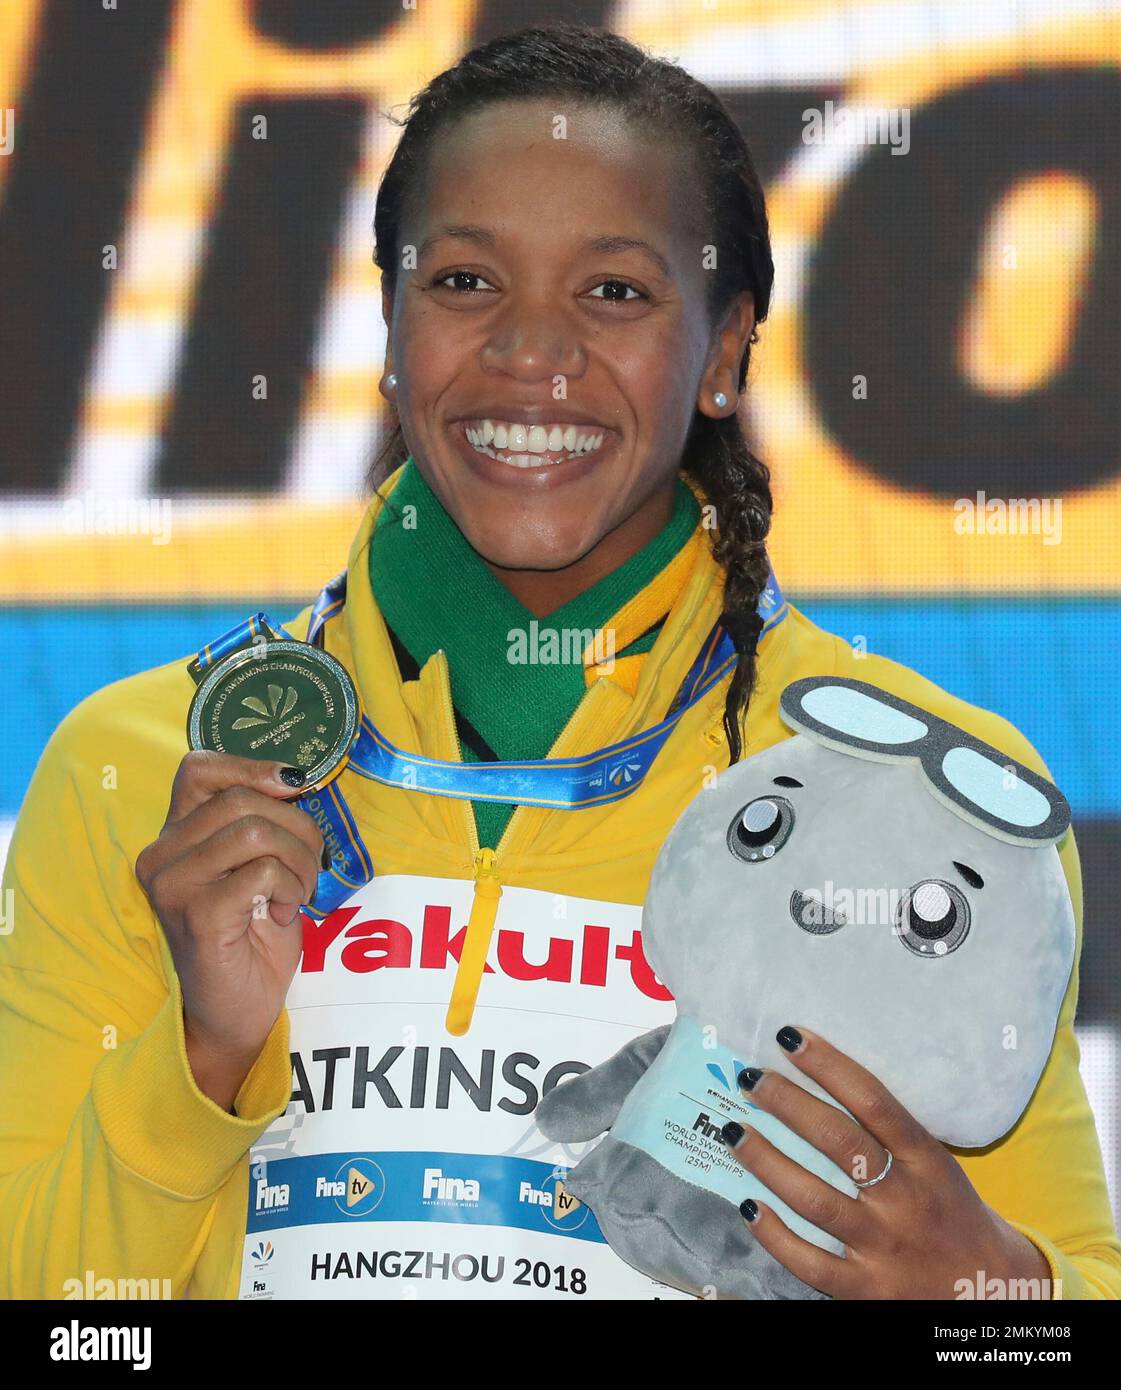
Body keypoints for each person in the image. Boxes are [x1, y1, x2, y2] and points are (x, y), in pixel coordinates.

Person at [1, 23, 1117, 1301]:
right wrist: (199, 1058)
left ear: (723, 352)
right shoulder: (143, 766)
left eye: (615, 292)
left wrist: (986, 1292)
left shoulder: (916, 794)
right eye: (465, 282)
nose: (531, 353)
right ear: (388, 324)